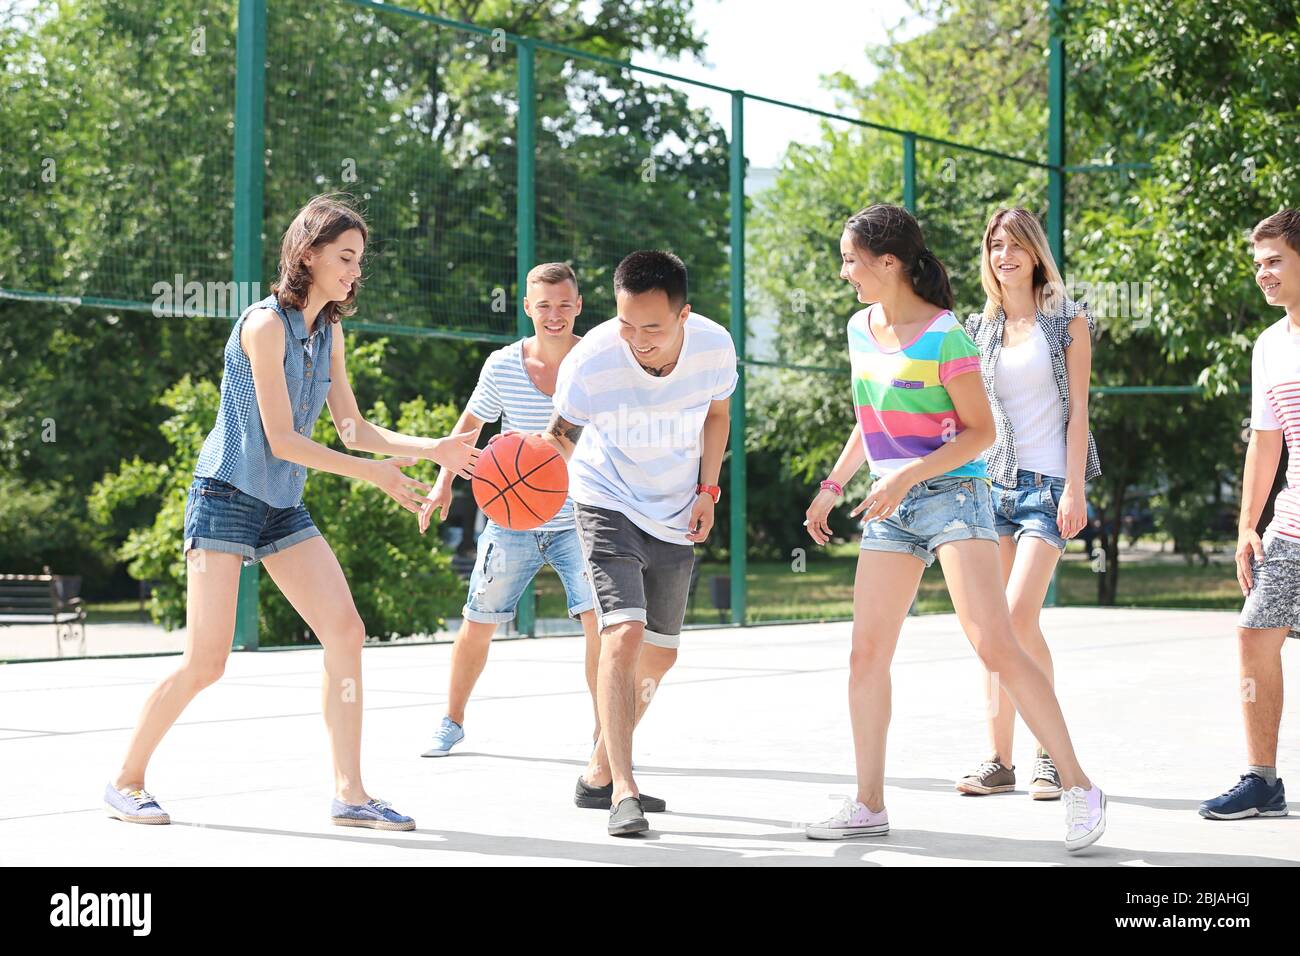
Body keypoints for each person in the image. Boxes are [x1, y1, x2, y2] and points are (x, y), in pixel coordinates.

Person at [103, 195, 478, 831]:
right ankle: (126, 780)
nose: (355, 270)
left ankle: (351, 794)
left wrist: (430, 448)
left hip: (281, 506)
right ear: (307, 253)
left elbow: (352, 428)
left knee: (347, 632)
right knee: (207, 661)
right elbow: (281, 438)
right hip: (224, 495)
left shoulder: (329, 331)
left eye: (359, 260)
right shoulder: (264, 325)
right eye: (345, 257)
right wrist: (373, 477)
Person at [802, 203, 1106, 851]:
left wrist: (907, 478)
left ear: (889, 263)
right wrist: (832, 486)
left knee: (997, 644)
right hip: (892, 504)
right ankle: (868, 803)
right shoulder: (859, 328)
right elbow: (872, 417)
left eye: (850, 260)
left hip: (954, 497)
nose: (844, 271)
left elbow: (981, 432)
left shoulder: (949, 335)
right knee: (866, 654)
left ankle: (1079, 786)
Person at [540, 249, 737, 836]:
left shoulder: (714, 347)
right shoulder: (592, 359)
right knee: (621, 631)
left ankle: (599, 770)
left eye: (652, 326)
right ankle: (623, 788)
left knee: (662, 652)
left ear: (684, 315)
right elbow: (559, 440)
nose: (637, 338)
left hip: (676, 506)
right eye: (627, 323)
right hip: (605, 499)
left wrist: (708, 488)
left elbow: (718, 416)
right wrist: (521, 485)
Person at [416, 262, 603, 757]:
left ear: (579, 305)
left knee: (598, 624)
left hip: (580, 519)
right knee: (478, 620)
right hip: (512, 518)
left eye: (565, 304)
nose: (555, 314)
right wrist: (443, 485)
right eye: (544, 305)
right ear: (527, 308)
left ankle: (605, 732)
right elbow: (468, 426)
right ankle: (451, 720)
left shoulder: (597, 361)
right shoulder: (502, 365)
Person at [956, 208, 1101, 801]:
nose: (1004, 255)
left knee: (1014, 619)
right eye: (995, 245)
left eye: (1015, 245)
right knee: (999, 627)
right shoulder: (978, 328)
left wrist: (1074, 487)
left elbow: (1078, 413)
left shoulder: (1069, 322)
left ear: (1036, 253)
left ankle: (1048, 754)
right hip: (993, 488)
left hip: (1047, 490)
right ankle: (999, 760)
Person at [1200, 209, 1300, 821]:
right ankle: (1261, 779)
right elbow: (1266, 442)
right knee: (1253, 632)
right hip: (1291, 523)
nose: (1262, 274)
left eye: (1274, 261)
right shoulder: (1269, 346)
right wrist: (1247, 526)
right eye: (1257, 264)